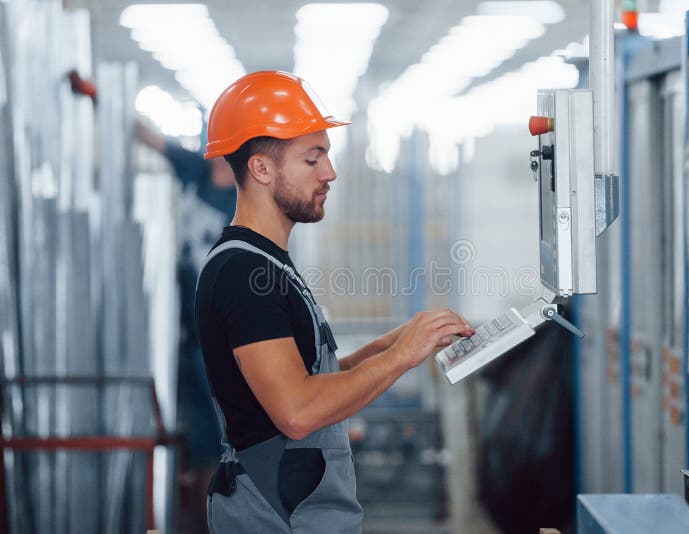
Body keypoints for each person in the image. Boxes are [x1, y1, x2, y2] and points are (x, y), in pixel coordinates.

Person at [195, 70, 475, 533]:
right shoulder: (242, 274)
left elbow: (314, 384)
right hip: (276, 517)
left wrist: (396, 343)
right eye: (313, 158)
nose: (331, 172)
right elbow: (299, 411)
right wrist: (403, 357)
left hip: (297, 513)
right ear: (261, 169)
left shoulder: (268, 265)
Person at [136, 120, 236, 531]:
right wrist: (100, 94)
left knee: (225, 441)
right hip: (184, 334)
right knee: (199, 444)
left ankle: (223, 521)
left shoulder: (244, 198)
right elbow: (152, 138)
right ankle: (201, 521)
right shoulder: (193, 169)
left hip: (223, 339)